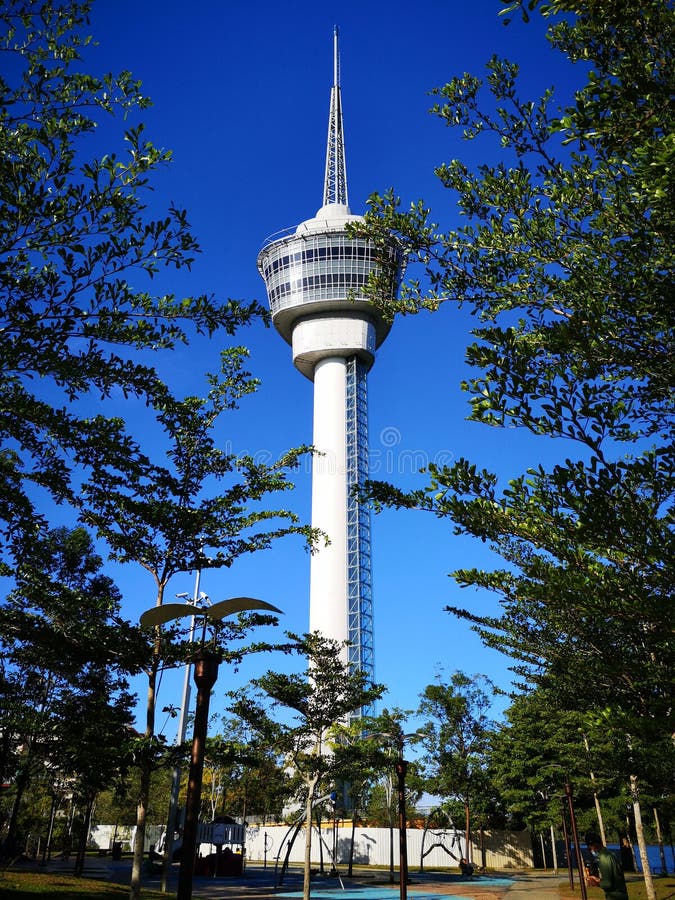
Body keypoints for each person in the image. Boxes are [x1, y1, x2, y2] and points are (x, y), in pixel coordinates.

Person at [584, 832, 628, 900]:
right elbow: (612, 878)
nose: (589, 849)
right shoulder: (610, 854)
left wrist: (595, 883)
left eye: (589, 847)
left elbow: (608, 884)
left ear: (593, 845)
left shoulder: (603, 858)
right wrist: (598, 879)